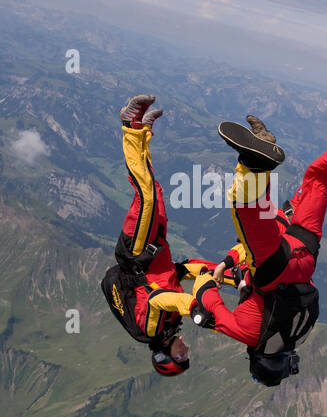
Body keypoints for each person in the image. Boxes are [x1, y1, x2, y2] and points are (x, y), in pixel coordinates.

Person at [189, 90, 327, 386]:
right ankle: (255, 164)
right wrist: (207, 281)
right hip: (273, 267)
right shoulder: (249, 335)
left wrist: (233, 265)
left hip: (304, 252)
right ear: (256, 357)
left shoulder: (299, 331)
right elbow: (207, 301)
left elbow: (299, 290)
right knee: (245, 211)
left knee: (320, 178)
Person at [100, 94, 234, 376]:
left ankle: (129, 126)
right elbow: (182, 271)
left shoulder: (150, 329)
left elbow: (157, 298)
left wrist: (192, 306)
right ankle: (142, 132)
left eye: (180, 357)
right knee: (155, 191)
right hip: (157, 250)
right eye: (186, 357)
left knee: (145, 196)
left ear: (164, 355)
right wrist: (232, 276)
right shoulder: (170, 323)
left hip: (138, 254)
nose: (186, 352)